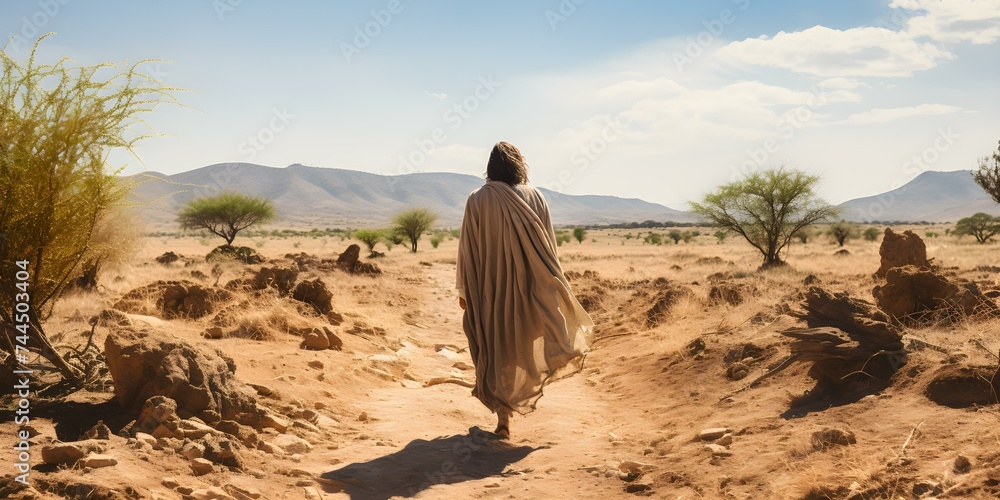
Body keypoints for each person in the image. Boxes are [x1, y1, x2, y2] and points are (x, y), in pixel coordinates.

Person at [455, 141, 594, 439]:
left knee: (496, 346)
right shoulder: (537, 196)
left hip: (490, 289)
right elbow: (549, 249)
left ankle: (503, 416)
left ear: (490, 168)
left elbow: (467, 249)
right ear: (520, 165)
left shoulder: (477, 199)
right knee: (521, 344)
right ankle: (517, 398)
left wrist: (465, 290)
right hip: (532, 287)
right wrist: (552, 284)